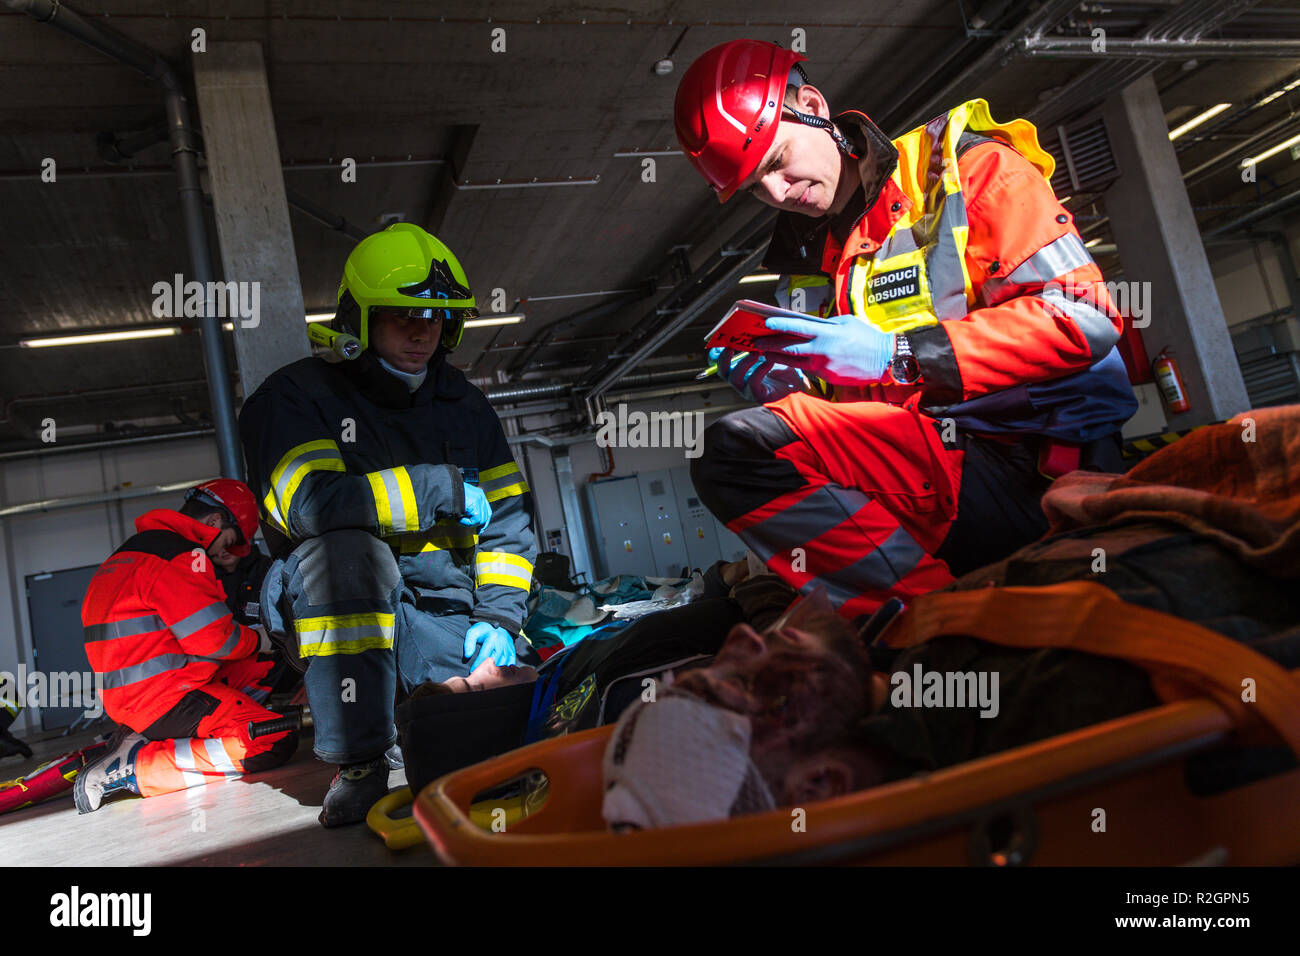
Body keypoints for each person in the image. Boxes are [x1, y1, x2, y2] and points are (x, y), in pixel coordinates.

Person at [676, 39, 1138, 622]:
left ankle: (932, 623)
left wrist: (898, 354)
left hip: (1037, 470)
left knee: (736, 450)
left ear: (813, 104)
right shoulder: (812, 266)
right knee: (738, 450)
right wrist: (792, 387)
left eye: (775, 162)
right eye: (752, 188)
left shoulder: (968, 169)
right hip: (932, 474)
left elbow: (1085, 318)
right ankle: (925, 622)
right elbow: (861, 405)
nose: (775, 194)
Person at [239, 223, 537, 827]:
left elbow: (508, 522)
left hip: (441, 617)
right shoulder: (295, 398)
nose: (422, 331)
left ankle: (421, 712)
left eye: (437, 316)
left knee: (522, 701)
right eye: (403, 314)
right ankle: (361, 763)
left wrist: (500, 617)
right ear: (360, 317)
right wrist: (438, 487)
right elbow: (315, 504)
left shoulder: (465, 405)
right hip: (341, 610)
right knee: (348, 553)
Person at [75, 479, 297, 813]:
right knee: (272, 739)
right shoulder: (180, 557)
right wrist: (259, 639)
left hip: (131, 698)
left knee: (258, 664)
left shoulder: (129, 555)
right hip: (164, 698)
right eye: (230, 540)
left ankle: (147, 738)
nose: (225, 553)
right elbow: (216, 639)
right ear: (214, 523)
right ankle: (138, 768)